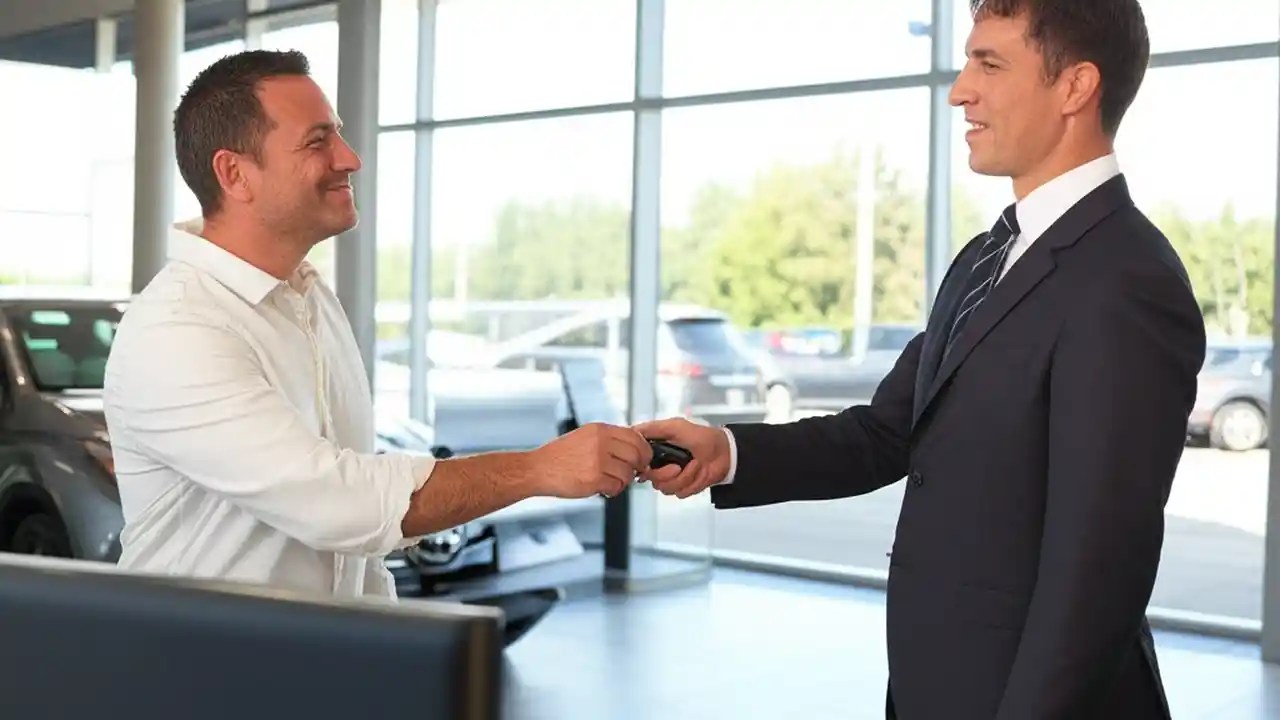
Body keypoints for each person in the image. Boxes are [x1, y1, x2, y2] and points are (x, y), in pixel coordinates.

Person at [636, 1, 1204, 718]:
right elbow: (888, 432)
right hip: (938, 686)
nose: (960, 90)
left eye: (989, 64)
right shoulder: (984, 259)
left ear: (1075, 87)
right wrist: (727, 453)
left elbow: (1098, 573)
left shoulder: (1127, 280)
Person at [103, 50, 652, 600]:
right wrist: (538, 469)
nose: (350, 158)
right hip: (199, 652)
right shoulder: (178, 329)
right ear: (234, 173)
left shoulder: (307, 298)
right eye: (317, 141)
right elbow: (337, 503)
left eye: (338, 134)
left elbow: (353, 549)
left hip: (322, 647)